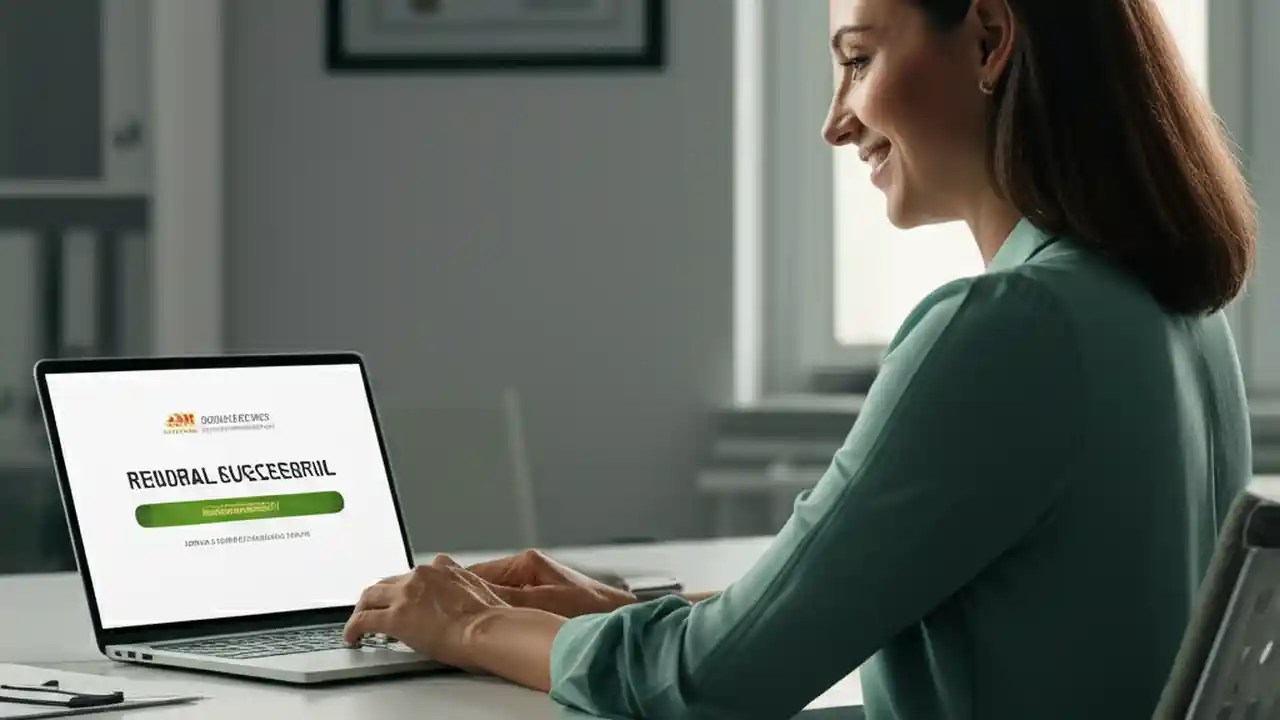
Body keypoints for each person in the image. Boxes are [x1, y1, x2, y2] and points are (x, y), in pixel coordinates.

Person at [342, 0, 1256, 716]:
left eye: (858, 59)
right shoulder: (1176, 315)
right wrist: (614, 621)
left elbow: (710, 689)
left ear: (986, 40)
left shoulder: (1010, 327)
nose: (834, 121)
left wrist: (472, 623)